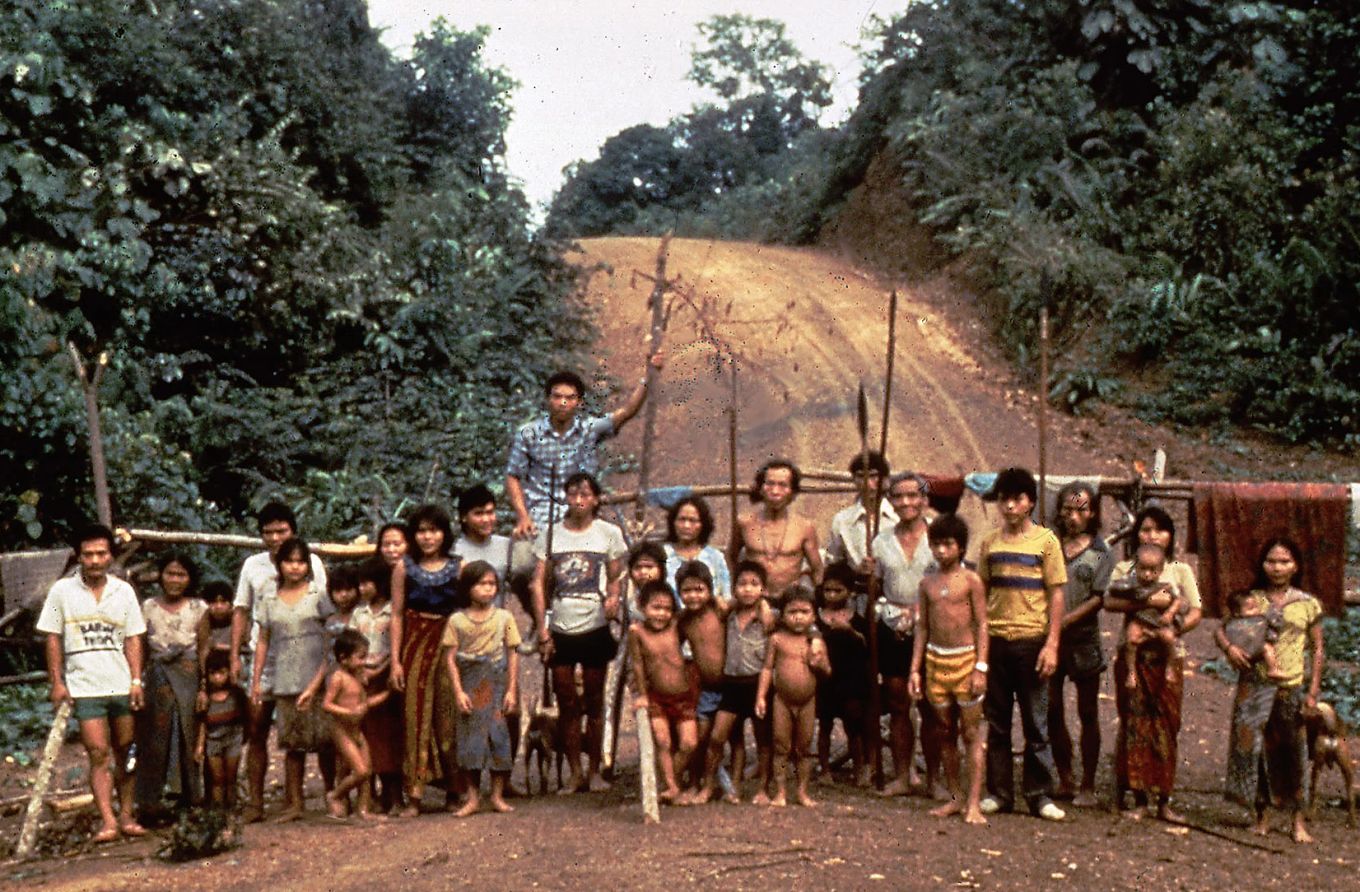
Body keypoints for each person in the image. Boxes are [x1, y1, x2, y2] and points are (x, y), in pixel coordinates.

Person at [37, 524, 147, 843]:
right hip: (85, 686)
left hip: (121, 683)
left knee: (126, 751)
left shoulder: (123, 591)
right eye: (89, 554)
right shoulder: (62, 591)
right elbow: (53, 639)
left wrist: (136, 679)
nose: (95, 560)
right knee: (98, 753)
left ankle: (127, 815)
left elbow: (133, 639)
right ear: (79, 557)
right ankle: (108, 820)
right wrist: (57, 682)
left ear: (111, 555)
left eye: (101, 553)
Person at [1217, 537, 1323, 844]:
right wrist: (1230, 649)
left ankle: (1297, 820)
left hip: (1289, 685)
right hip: (1253, 684)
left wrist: (1313, 692)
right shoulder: (1251, 600)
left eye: (1284, 561)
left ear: (1296, 566)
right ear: (1262, 565)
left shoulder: (1306, 603)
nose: (1277, 568)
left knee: (1293, 752)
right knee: (1255, 750)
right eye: (1271, 561)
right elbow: (1221, 630)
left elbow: (1317, 650)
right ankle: (1261, 815)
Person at [977, 467, 1067, 821]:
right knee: (997, 722)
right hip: (997, 641)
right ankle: (1000, 792)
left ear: (1030, 502)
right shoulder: (990, 542)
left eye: (1017, 499)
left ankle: (1039, 794)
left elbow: (1056, 593)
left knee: (1036, 723)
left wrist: (1052, 644)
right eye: (1004, 499)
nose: (1010, 505)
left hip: (1032, 641)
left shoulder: (1046, 541)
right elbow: (982, 594)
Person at [1104, 504, 1202, 823]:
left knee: (1167, 725)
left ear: (1170, 535)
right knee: (1134, 724)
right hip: (1135, 654)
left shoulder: (1180, 570)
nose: (1153, 535)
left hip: (1168, 657)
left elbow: (1196, 610)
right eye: (1145, 529)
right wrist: (1146, 601)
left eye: (1160, 529)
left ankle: (1164, 800)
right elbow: (1109, 600)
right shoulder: (1125, 569)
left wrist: (1170, 628)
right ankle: (1138, 798)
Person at [530, 472, 627, 794]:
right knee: (567, 701)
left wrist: (613, 599)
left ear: (597, 499)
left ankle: (596, 770)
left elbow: (616, 577)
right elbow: (538, 584)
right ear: (565, 498)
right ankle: (574, 772)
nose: (579, 500)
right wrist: (542, 629)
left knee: (596, 701)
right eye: (573, 494)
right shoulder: (550, 535)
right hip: (560, 626)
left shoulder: (608, 534)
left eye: (585, 494)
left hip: (595, 624)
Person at [230, 502, 327, 823]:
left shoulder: (312, 563)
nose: (274, 537)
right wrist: (235, 656)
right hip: (266, 658)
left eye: (281, 531)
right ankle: (256, 803)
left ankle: (319, 798)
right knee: (257, 730)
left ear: (293, 532)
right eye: (268, 532)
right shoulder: (252, 566)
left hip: (306, 661)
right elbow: (241, 610)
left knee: (318, 732)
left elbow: (325, 612)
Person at [505, 356, 665, 540]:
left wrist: (648, 377)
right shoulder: (529, 433)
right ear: (548, 399)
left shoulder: (589, 430)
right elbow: (513, 475)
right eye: (557, 397)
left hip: (584, 512)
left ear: (579, 402)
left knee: (615, 543)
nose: (563, 403)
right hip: (541, 515)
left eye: (570, 398)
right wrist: (523, 516)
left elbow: (627, 411)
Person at [909, 514, 989, 824]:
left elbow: (982, 624)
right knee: (944, 732)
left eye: (948, 545)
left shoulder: (971, 580)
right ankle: (955, 797)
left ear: (960, 547)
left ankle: (974, 803)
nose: (941, 551)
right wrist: (915, 670)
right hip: (935, 662)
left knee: (971, 732)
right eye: (936, 545)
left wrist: (981, 666)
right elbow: (922, 629)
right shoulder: (927, 583)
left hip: (966, 660)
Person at [251, 537, 334, 822]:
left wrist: (320, 679)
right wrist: (257, 679)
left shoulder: (319, 594)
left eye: (301, 562)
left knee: (326, 744)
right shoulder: (268, 598)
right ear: (279, 564)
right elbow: (263, 640)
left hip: (319, 679)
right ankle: (295, 804)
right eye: (289, 561)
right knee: (292, 746)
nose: (295, 567)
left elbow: (332, 638)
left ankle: (333, 798)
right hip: (284, 679)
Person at [869, 471, 940, 798]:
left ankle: (935, 779)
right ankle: (901, 775)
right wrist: (866, 575)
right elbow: (874, 587)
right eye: (898, 496)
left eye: (913, 496)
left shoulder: (938, 535)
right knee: (898, 700)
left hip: (932, 624)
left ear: (924, 499)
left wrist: (922, 610)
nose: (906, 502)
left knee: (930, 703)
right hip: (893, 624)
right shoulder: (881, 540)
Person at [388, 504, 463, 815]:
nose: (427, 537)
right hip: (415, 647)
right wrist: (395, 661)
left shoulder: (459, 567)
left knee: (448, 720)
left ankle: (454, 791)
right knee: (415, 718)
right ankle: (415, 795)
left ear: (444, 533)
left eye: (433, 530)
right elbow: (395, 615)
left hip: (448, 649)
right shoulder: (404, 568)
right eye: (421, 530)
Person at [1047, 481, 1114, 807]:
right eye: (1068, 509)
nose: (1074, 516)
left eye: (1081, 510)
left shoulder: (1102, 552)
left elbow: (1101, 597)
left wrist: (1068, 620)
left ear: (1092, 513)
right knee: (1052, 707)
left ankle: (1088, 782)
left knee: (1088, 711)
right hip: (1050, 639)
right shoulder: (1048, 545)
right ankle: (1065, 777)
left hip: (1083, 638)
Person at [444, 561, 521, 817]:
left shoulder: (504, 618)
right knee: (470, 742)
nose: (487, 590)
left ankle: (497, 795)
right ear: (467, 588)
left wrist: (511, 690)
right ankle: (473, 797)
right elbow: (450, 658)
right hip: (470, 683)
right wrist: (458, 692)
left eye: (491, 584)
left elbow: (513, 654)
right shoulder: (456, 620)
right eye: (480, 584)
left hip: (497, 683)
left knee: (499, 738)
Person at [696, 560, 776, 804]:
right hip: (731, 684)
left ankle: (762, 789)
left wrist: (762, 694)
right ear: (734, 588)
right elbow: (714, 600)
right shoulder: (729, 613)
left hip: (757, 685)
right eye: (742, 584)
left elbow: (769, 663)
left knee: (763, 740)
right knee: (720, 737)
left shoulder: (767, 617)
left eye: (754, 585)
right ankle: (714, 786)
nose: (748, 589)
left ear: (763, 589)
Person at [136, 552, 207, 816]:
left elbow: (204, 650)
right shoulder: (148, 607)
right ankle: (152, 803)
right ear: (160, 576)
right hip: (158, 677)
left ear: (189, 579)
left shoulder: (199, 608)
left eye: (181, 575)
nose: (175, 580)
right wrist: (138, 682)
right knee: (156, 734)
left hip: (188, 676)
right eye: (170, 573)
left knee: (187, 732)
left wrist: (203, 688)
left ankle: (190, 799)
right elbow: (141, 648)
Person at [756, 589, 830, 808]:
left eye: (804, 611)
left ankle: (802, 791)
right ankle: (780, 792)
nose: (798, 617)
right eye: (792, 612)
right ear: (783, 615)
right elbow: (767, 669)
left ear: (814, 616)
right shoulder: (777, 639)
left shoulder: (816, 642)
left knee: (804, 748)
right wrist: (761, 696)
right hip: (782, 700)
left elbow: (828, 671)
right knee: (781, 746)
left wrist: (820, 664)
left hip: (808, 700)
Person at [628, 580, 699, 804]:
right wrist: (641, 694)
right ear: (642, 607)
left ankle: (670, 780)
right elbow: (638, 664)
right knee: (663, 741)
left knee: (689, 743)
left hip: (683, 696)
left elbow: (693, 608)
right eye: (656, 608)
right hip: (656, 697)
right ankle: (671, 786)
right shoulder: (636, 631)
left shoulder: (675, 625)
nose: (662, 614)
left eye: (667, 609)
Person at [674, 561, 731, 803]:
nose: (693, 596)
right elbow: (671, 646)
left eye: (699, 589)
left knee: (726, 739)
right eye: (687, 591)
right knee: (700, 737)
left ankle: (727, 786)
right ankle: (697, 783)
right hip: (706, 687)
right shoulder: (684, 620)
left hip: (730, 685)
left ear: (710, 589)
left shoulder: (720, 611)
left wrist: (722, 601)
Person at [323, 629, 391, 821]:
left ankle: (363, 810)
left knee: (367, 772)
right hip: (342, 730)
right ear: (344, 658)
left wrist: (389, 691)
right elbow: (326, 704)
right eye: (360, 657)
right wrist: (349, 712)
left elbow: (368, 698)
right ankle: (335, 795)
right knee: (360, 771)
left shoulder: (359, 674)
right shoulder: (338, 678)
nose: (364, 661)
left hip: (357, 731)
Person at [728, 460, 823, 598]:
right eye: (770, 484)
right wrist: (736, 589)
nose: (775, 491)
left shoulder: (804, 527)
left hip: (789, 602)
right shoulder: (745, 523)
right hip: (754, 601)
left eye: (783, 485)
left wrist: (819, 600)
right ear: (761, 488)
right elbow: (731, 558)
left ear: (793, 491)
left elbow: (817, 569)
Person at [352, 557, 402, 812]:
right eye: (360, 583)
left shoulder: (392, 610)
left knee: (388, 739)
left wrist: (380, 671)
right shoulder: (358, 614)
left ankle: (394, 796)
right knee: (368, 738)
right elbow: (349, 645)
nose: (363, 588)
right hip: (361, 678)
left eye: (367, 583)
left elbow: (396, 648)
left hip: (384, 676)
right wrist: (359, 671)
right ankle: (371, 795)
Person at [814, 563, 870, 787]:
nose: (832, 595)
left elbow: (867, 645)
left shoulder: (856, 617)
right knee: (825, 725)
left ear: (850, 592)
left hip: (851, 680)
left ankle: (859, 768)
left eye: (838, 590)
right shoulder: (817, 616)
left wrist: (850, 631)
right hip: (825, 680)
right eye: (828, 590)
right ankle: (825, 769)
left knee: (853, 726)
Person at [825, 451, 898, 613]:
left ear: (885, 480)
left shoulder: (899, 517)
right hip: (859, 605)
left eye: (873, 476)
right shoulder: (842, 521)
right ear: (854, 480)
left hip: (896, 603)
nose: (868, 484)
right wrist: (856, 571)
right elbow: (833, 568)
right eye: (861, 477)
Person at [1112, 544, 1184, 689]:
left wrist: (1170, 613)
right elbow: (1114, 591)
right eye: (1142, 569)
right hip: (1140, 620)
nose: (1147, 575)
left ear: (1161, 570)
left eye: (1153, 571)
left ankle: (1170, 667)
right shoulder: (1132, 583)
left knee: (1169, 639)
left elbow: (1178, 600)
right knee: (1131, 639)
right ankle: (1131, 672)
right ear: (1135, 567)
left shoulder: (1165, 586)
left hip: (1159, 622)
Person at [195, 650, 247, 809]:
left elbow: (245, 718)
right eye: (213, 673)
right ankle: (218, 811)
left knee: (231, 777)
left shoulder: (236, 695)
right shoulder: (205, 699)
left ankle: (231, 807)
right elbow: (202, 722)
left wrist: (244, 737)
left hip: (233, 740)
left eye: (222, 673)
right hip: (213, 742)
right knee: (217, 779)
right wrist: (200, 745)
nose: (217, 678)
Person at [663, 496, 731, 606]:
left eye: (693, 520)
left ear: (703, 524)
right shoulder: (661, 555)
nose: (686, 525)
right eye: (682, 519)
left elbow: (726, 596)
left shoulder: (715, 557)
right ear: (673, 522)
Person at [1223, 590, 1286, 680]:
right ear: (1237, 613)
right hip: (1249, 649)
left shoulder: (1232, 622)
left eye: (1256, 607)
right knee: (1267, 648)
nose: (1256, 611)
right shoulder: (1257, 619)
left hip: (1246, 651)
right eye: (1251, 609)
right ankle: (1273, 668)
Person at [196, 581, 240, 675]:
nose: (218, 606)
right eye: (213, 602)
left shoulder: (239, 621)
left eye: (223, 602)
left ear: (231, 603)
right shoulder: (204, 621)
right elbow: (202, 651)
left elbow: (248, 648)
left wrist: (219, 647)